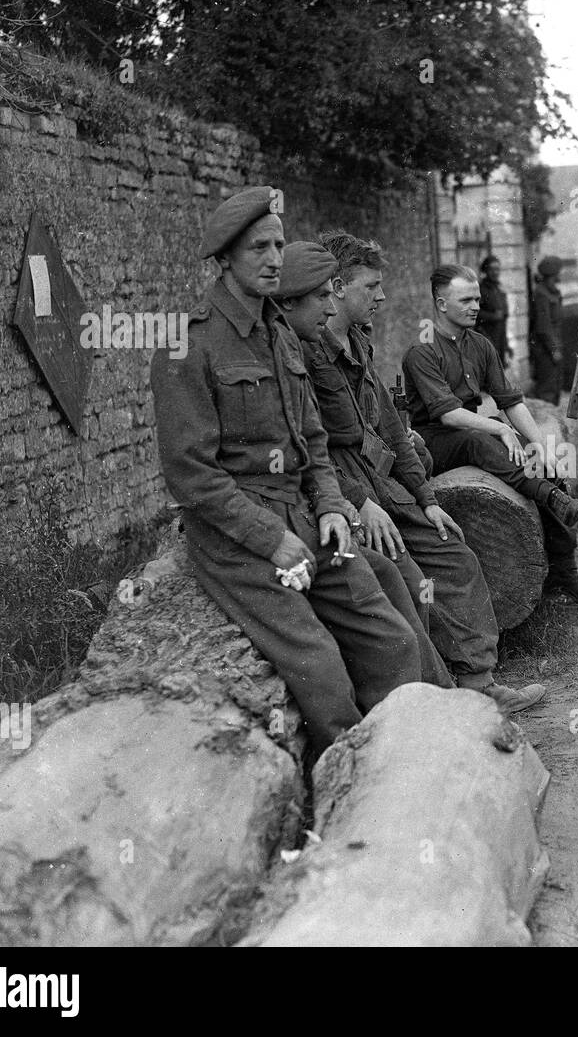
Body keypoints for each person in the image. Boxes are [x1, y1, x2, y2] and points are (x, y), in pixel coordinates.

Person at [150, 186, 451, 762]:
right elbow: (190, 475)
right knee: (320, 668)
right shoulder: (189, 345)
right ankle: (338, 790)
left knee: (389, 637)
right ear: (226, 258)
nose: (271, 258)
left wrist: (333, 507)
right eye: (258, 247)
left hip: (307, 516)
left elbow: (313, 440)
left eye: (278, 245)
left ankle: (411, 764)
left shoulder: (282, 332)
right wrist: (271, 539)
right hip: (236, 536)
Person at [276, 235, 544, 715]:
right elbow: (312, 446)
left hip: (380, 477)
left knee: (453, 554)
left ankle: (479, 684)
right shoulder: (304, 351)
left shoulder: (357, 339)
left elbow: (390, 428)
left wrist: (427, 497)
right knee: (406, 578)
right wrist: (358, 501)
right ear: (337, 288)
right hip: (341, 483)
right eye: (372, 287)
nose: (382, 297)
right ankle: (435, 703)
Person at [403, 264, 578, 604]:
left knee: (535, 456)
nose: (475, 306)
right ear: (441, 304)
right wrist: (499, 427)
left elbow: (511, 401)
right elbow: (449, 415)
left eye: (477, 299)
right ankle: (547, 494)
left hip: (470, 430)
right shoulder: (423, 350)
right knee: (477, 439)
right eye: (465, 299)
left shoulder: (480, 345)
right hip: (434, 441)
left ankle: (564, 572)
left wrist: (540, 446)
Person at [529, 256, 564, 405]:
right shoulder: (542, 294)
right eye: (558, 272)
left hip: (552, 346)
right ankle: (545, 425)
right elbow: (544, 327)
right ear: (553, 274)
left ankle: (553, 423)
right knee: (546, 390)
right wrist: (554, 349)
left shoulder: (552, 292)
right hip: (545, 349)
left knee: (555, 387)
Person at [477, 254, 510, 365]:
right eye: (491, 269)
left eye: (497, 269)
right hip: (486, 336)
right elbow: (474, 312)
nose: (495, 272)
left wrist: (506, 345)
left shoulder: (499, 289)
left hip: (500, 337)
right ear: (485, 270)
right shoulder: (481, 289)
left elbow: (504, 317)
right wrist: (492, 316)